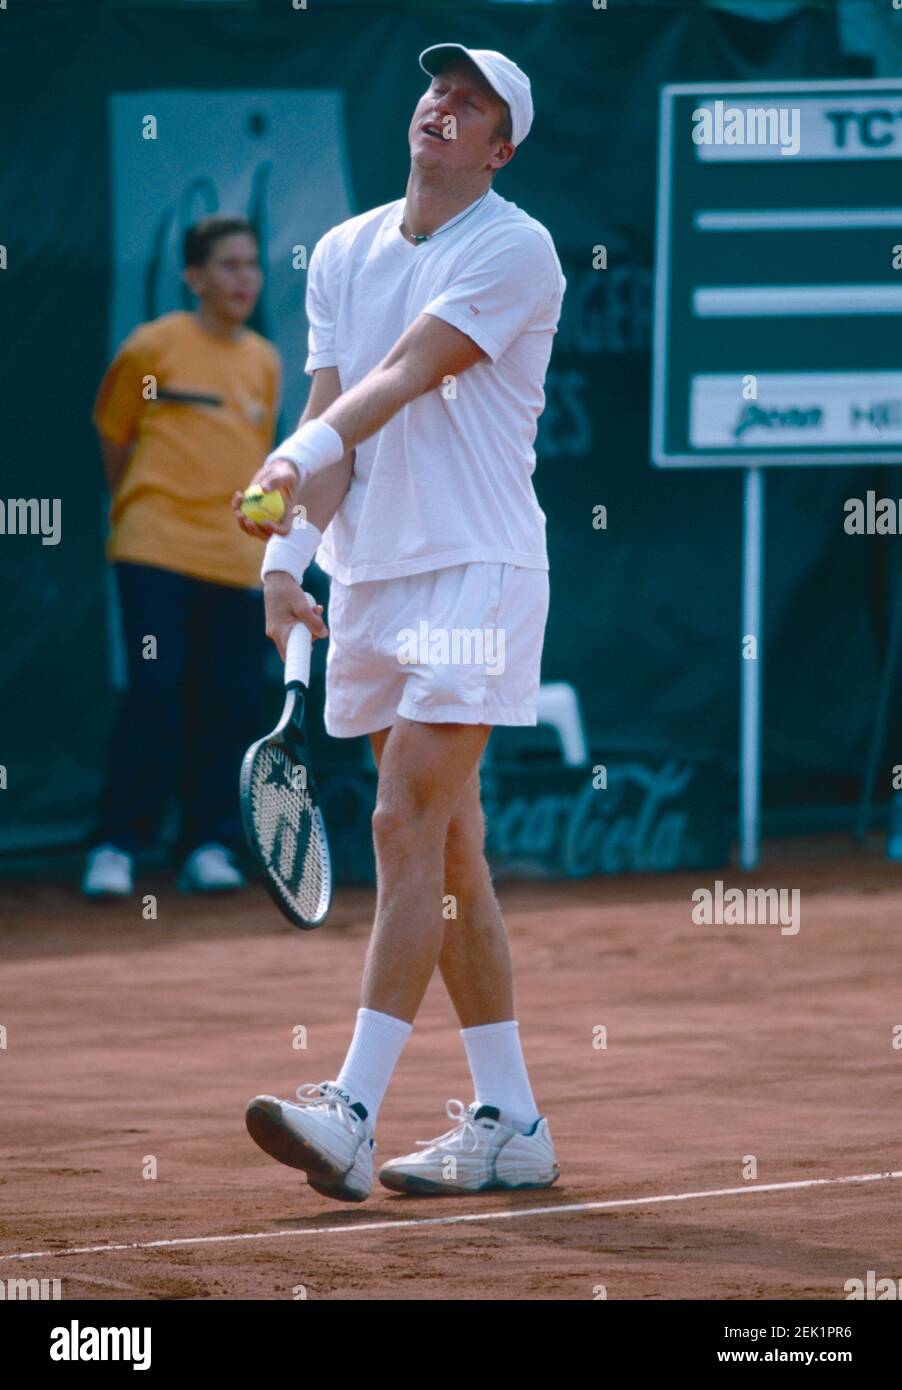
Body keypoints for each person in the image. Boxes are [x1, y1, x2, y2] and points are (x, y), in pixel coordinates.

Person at [236, 45, 566, 1200]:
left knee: (398, 820)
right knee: (452, 853)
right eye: (437, 88)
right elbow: (334, 417)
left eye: (472, 103)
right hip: (373, 582)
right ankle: (510, 1120)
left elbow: (408, 375)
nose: (443, 105)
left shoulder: (514, 248)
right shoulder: (340, 248)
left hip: (475, 572)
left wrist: (289, 457)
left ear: (498, 148)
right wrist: (289, 555)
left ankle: (353, 1109)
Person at [83, 215, 280, 897]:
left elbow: (258, 466)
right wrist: (143, 507)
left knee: (225, 703)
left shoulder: (264, 361)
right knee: (156, 690)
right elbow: (115, 438)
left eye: (251, 264)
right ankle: (116, 844)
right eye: (227, 265)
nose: (243, 278)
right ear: (193, 277)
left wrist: (265, 546)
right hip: (155, 550)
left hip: (234, 563)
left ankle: (207, 843)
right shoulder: (151, 347)